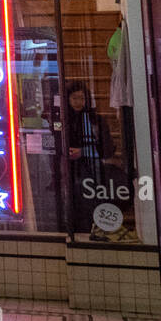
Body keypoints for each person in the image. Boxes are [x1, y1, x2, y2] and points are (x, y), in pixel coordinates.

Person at [65, 80, 128, 237]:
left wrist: (83, 152)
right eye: (74, 98)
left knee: (91, 205)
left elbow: (107, 149)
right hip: (72, 173)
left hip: (93, 173)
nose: (79, 102)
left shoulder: (95, 121)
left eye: (82, 98)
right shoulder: (65, 121)